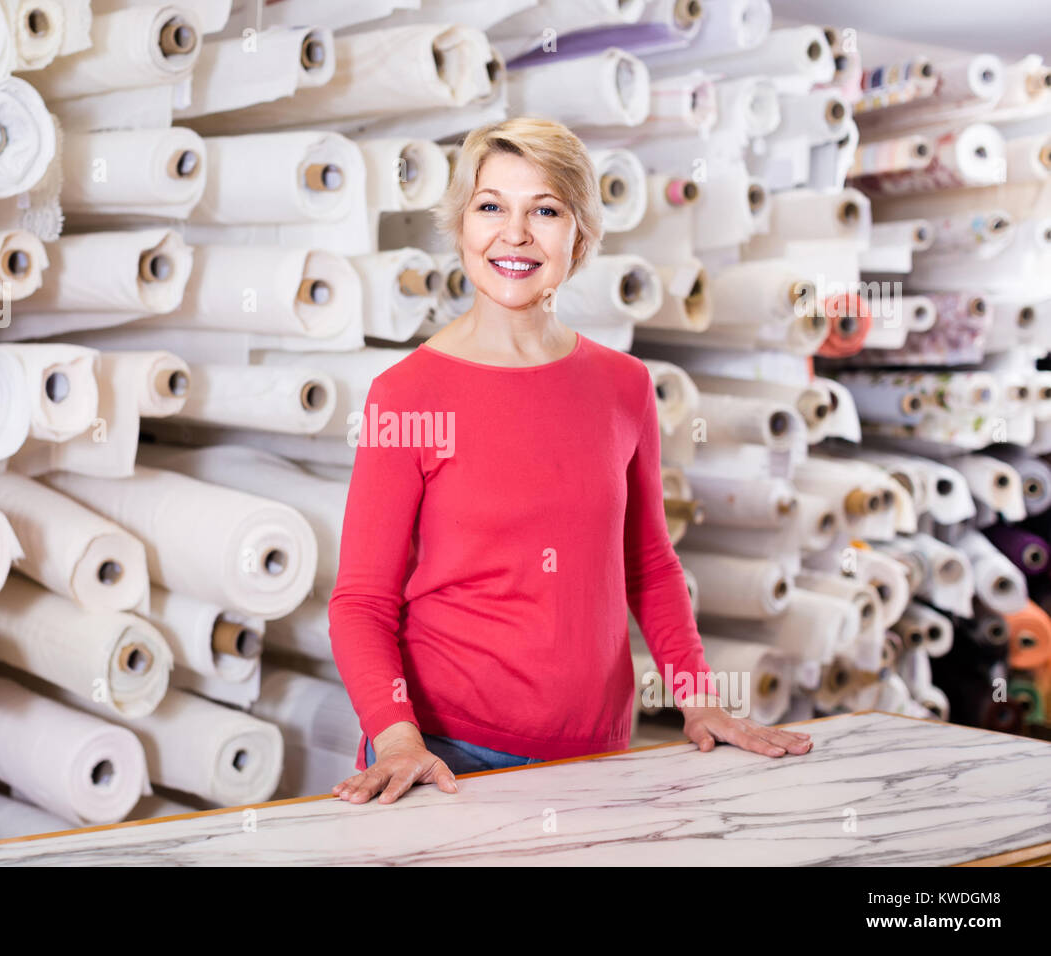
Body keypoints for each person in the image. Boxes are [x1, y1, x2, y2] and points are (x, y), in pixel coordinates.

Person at [327, 116, 813, 806]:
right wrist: (397, 734)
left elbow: (649, 565)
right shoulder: (408, 394)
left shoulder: (624, 386)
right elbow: (361, 602)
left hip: (598, 753)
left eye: (545, 210)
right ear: (461, 225)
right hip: (445, 754)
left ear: (580, 235)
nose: (515, 234)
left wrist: (700, 700)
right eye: (490, 206)